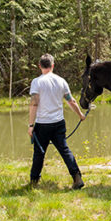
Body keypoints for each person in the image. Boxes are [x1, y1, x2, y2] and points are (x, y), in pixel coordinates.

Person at [28, 54, 86, 189]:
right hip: (59, 123)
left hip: (42, 124)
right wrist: (80, 115)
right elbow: (71, 101)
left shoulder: (37, 82)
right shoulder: (61, 81)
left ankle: (34, 181)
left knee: (39, 153)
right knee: (64, 150)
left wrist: (31, 125)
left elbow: (34, 104)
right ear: (53, 65)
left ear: (40, 66)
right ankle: (77, 178)